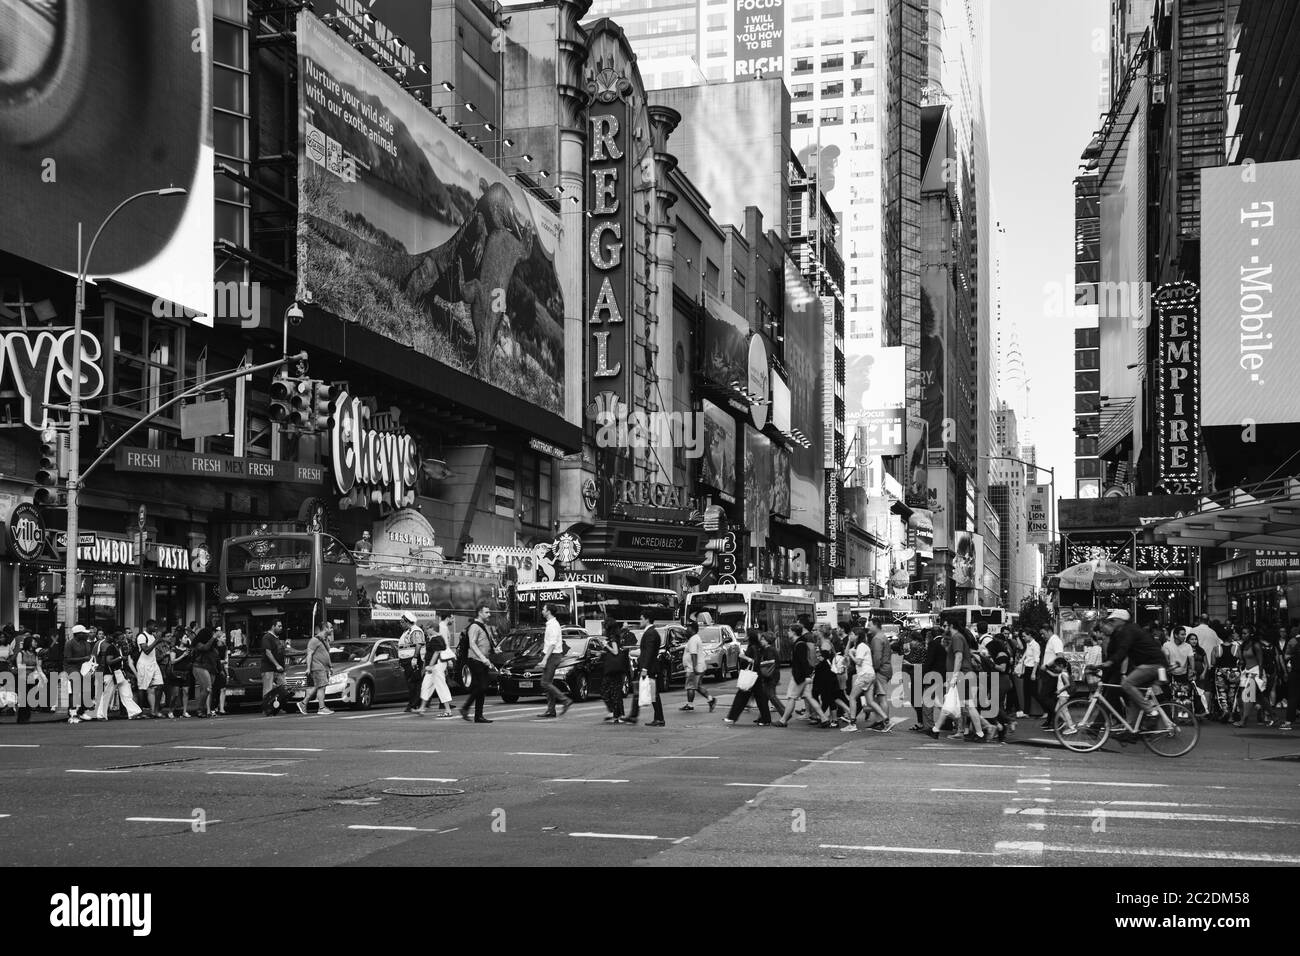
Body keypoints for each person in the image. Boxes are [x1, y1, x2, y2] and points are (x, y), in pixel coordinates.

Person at [1099, 609, 1167, 741]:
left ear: (1121, 620)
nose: (1111, 623)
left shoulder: (1128, 630)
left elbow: (1123, 650)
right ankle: (1131, 730)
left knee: (1126, 684)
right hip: (1152, 664)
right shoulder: (1128, 630)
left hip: (1153, 664)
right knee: (1135, 698)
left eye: (1113, 620)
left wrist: (1110, 662)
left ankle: (1151, 712)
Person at [776, 625, 826, 727]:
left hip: (799, 677)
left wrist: (806, 675)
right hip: (803, 676)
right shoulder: (801, 643)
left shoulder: (799, 645)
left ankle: (783, 720)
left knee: (791, 697)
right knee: (810, 697)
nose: (788, 633)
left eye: (789, 631)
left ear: (794, 632)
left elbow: (803, 662)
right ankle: (824, 718)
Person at [844, 630, 890, 732]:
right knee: (870, 701)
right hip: (870, 675)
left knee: (852, 697)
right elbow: (846, 654)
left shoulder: (861, 646)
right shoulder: (861, 646)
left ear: (856, 635)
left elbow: (858, 662)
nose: (849, 635)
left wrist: (852, 655)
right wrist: (849, 643)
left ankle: (852, 723)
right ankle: (885, 719)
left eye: (851, 634)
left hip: (864, 675)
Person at [91, 629, 141, 721]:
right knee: (107, 694)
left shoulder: (120, 648)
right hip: (110, 674)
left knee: (126, 693)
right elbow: (109, 661)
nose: (123, 640)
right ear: (116, 639)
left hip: (120, 673)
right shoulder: (111, 648)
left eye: (124, 639)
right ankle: (101, 714)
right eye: (121, 639)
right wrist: (120, 658)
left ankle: (134, 711)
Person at [724, 629, 772, 725]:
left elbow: (754, 661)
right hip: (756, 675)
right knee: (760, 698)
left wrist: (743, 656)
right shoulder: (757, 647)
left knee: (741, 697)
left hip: (751, 676)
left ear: (750, 637)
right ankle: (766, 719)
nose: (744, 636)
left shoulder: (752, 648)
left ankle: (732, 717)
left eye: (746, 634)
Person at [627, 611, 665, 726]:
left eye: (641, 619)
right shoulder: (651, 632)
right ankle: (637, 716)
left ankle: (657, 718)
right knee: (646, 692)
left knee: (651, 693)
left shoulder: (650, 633)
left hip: (648, 669)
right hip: (649, 668)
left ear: (647, 619)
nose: (640, 621)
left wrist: (644, 669)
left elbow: (649, 653)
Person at [458, 603, 495, 723]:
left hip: (483, 661)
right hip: (476, 660)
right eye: (486, 612)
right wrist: (483, 658)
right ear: (480, 613)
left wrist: (494, 650)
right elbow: (472, 644)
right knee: (482, 686)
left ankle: (478, 716)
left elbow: (484, 642)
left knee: (481, 688)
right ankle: (466, 708)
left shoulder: (483, 626)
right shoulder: (474, 626)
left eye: (489, 612)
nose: (489, 614)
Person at [416, 610, 455, 717]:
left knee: (440, 685)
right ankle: (422, 708)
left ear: (432, 629)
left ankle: (448, 710)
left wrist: (430, 665)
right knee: (426, 685)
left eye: (427, 628)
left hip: (436, 665)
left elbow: (437, 652)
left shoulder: (436, 638)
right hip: (433, 666)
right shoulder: (435, 638)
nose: (426, 630)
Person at [538, 603, 572, 719]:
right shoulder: (551, 624)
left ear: (548, 611)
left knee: (545, 683)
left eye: (543, 609)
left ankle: (565, 700)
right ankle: (551, 710)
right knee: (548, 683)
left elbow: (552, 644)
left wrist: (544, 659)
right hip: (553, 655)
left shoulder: (553, 625)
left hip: (553, 656)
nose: (542, 611)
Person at [680, 624, 718, 713]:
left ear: (692, 630)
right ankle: (711, 699)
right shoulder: (696, 638)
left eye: (687, 629)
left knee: (690, 687)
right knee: (697, 686)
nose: (686, 631)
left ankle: (690, 705)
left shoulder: (693, 640)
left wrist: (694, 667)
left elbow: (694, 655)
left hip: (694, 668)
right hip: (699, 666)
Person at [298, 623, 334, 716]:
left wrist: (330, 667)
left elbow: (326, 654)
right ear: (325, 628)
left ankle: (303, 703)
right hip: (318, 667)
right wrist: (308, 668)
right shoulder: (314, 640)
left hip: (324, 667)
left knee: (318, 686)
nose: (332, 630)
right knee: (321, 687)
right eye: (331, 628)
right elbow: (309, 654)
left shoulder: (326, 640)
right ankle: (321, 708)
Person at [1234, 630, 1267, 729]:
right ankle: (1272, 714)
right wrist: (1240, 649)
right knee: (1241, 698)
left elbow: (1261, 661)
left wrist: (1260, 675)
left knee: (1248, 696)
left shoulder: (1256, 645)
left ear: (1251, 634)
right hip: (1246, 672)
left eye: (1245, 633)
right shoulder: (1243, 645)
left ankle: (1244, 720)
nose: (1243, 635)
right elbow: (1240, 659)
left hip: (1255, 672)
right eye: (1242, 633)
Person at [63, 624, 93, 724]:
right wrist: (83, 659)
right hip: (72, 669)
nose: (86, 635)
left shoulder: (87, 643)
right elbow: (67, 659)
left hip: (84, 669)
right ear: (78, 634)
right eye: (84, 633)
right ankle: (72, 714)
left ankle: (82, 711)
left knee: (87, 690)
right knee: (74, 691)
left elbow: (89, 657)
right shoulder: (69, 644)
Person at [397, 611, 427, 713]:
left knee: (414, 683)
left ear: (407, 621)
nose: (400, 624)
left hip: (413, 660)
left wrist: (414, 658)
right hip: (407, 661)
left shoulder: (415, 631)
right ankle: (413, 704)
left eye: (402, 622)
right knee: (411, 683)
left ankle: (414, 704)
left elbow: (418, 645)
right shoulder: (408, 631)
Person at [135, 620, 165, 718]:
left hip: (153, 663)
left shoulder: (153, 636)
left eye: (157, 627)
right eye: (154, 626)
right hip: (143, 664)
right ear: (148, 626)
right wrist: (157, 640)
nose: (156, 628)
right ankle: (140, 712)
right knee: (142, 688)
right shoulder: (142, 636)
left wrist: (159, 640)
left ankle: (155, 711)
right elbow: (146, 650)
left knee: (160, 685)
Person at [599, 625, 630, 723]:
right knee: (616, 692)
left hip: (613, 669)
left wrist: (605, 645)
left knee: (607, 690)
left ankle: (615, 713)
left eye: (604, 627)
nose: (603, 629)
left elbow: (615, 652)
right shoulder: (615, 637)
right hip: (616, 669)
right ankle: (618, 715)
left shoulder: (612, 638)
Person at [191, 626, 219, 717]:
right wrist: (213, 638)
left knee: (206, 690)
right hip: (200, 666)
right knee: (207, 688)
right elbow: (205, 648)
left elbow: (217, 656)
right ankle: (200, 709)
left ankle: (205, 710)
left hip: (211, 668)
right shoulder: (198, 644)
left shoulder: (213, 645)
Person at [260, 620, 287, 713]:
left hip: (279, 669)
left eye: (281, 626)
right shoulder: (267, 637)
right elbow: (268, 652)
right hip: (268, 668)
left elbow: (281, 651)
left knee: (282, 687)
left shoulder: (276, 638)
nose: (281, 628)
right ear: (273, 626)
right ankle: (267, 708)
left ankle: (276, 707)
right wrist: (277, 665)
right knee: (268, 689)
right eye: (279, 626)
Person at [1016, 629, 1040, 718]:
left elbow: (1036, 660)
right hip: (1027, 669)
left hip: (1032, 669)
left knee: (1034, 692)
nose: (1023, 638)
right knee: (1026, 691)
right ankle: (1026, 711)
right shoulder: (1029, 645)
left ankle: (1047, 709)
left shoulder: (1035, 645)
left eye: (1024, 636)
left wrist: (1033, 673)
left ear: (1030, 635)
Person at [1281, 626, 1300, 732]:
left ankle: (1289, 721)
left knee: (1293, 696)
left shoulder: (1293, 641)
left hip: (1296, 671)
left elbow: (1286, 656)